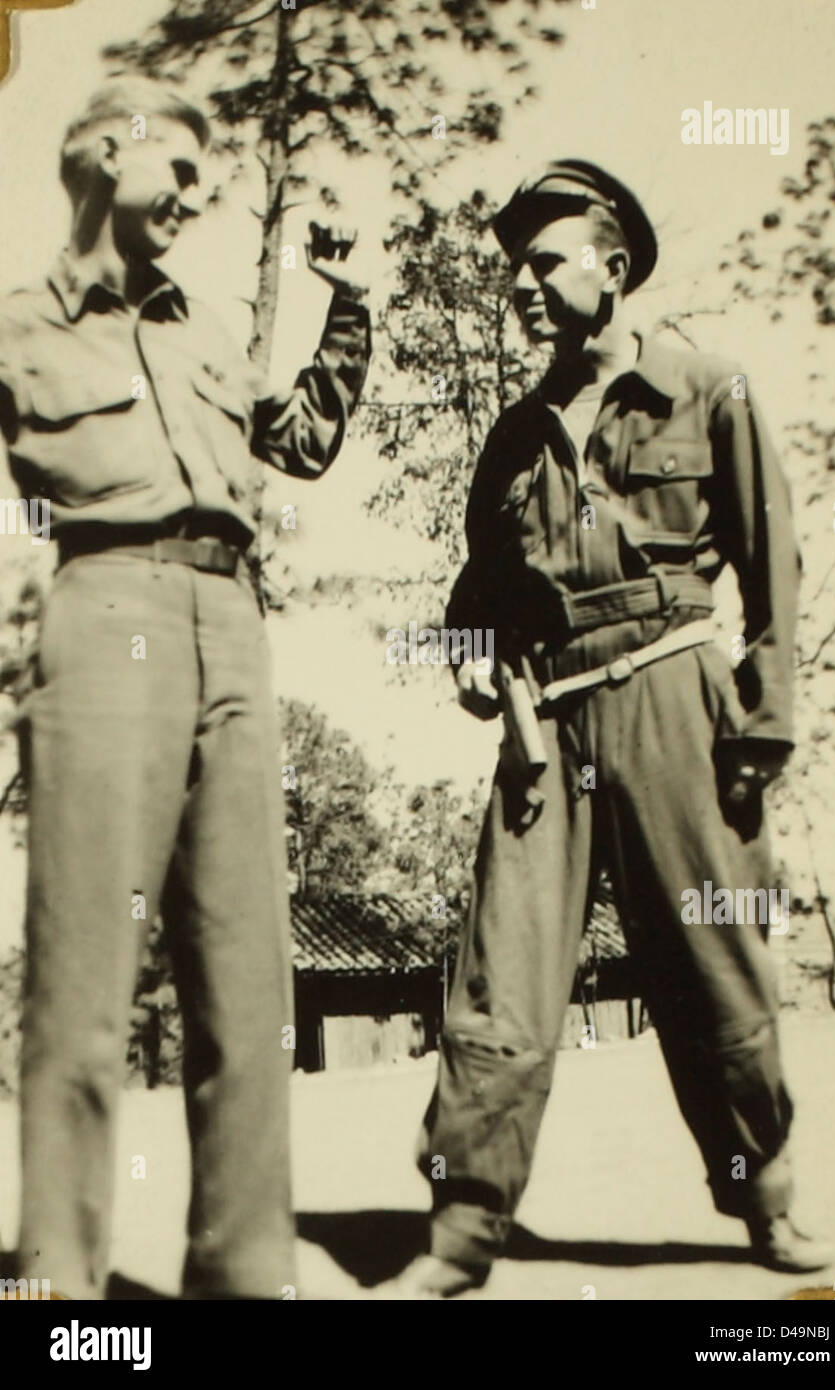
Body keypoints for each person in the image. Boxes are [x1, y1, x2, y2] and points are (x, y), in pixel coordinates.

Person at [398, 159, 831, 1298]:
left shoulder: (706, 388)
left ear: (613, 266)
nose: (525, 285)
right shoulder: (514, 436)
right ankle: (460, 1230)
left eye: (545, 262)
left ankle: (765, 1198)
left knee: (710, 966)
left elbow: (771, 560)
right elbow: (469, 603)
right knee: (500, 974)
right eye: (516, 269)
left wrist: (762, 722)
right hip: (548, 732)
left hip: (675, 698)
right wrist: (478, 671)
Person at [0, 78, 370, 1300]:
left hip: (234, 621)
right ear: (108, 153)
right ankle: (58, 1281)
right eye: (183, 162)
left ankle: (246, 1276)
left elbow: (305, 440)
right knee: (85, 981)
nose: (203, 189)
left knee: (249, 982)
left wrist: (347, 302)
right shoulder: (18, 326)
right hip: (105, 612)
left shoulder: (206, 331)